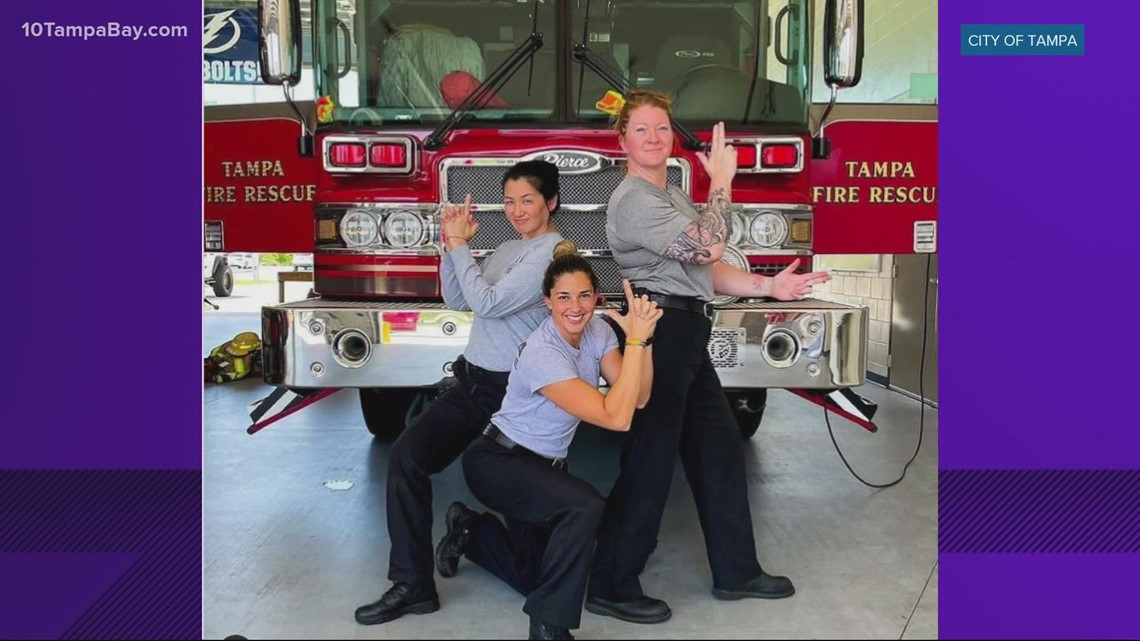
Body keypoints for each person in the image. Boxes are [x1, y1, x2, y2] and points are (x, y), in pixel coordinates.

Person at [585, 89, 832, 624]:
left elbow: (702, 269)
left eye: (661, 128)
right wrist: (721, 183)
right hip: (662, 331)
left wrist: (768, 287)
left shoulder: (670, 194)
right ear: (622, 140)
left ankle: (736, 570)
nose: (654, 137)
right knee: (650, 459)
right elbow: (707, 247)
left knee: (718, 451)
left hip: (687, 329)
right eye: (642, 129)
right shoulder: (632, 199)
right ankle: (611, 581)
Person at [354, 160, 564, 626]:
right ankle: (412, 584)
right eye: (508, 201)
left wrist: (460, 245)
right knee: (406, 458)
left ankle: (470, 530)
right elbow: (460, 299)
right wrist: (450, 247)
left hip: (516, 398)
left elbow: (488, 301)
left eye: (527, 200)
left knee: (532, 576)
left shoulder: (551, 255)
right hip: (472, 384)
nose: (516, 210)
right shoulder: (509, 248)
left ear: (550, 202)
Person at [434, 244, 662, 640]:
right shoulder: (544, 351)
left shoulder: (598, 332)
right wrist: (637, 345)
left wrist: (645, 339)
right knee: (584, 507)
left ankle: (469, 531)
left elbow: (638, 397)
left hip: (542, 467)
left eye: (584, 295)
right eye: (563, 297)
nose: (575, 307)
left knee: (538, 579)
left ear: (596, 297)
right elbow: (616, 416)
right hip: (498, 462)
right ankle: (548, 629)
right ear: (547, 302)